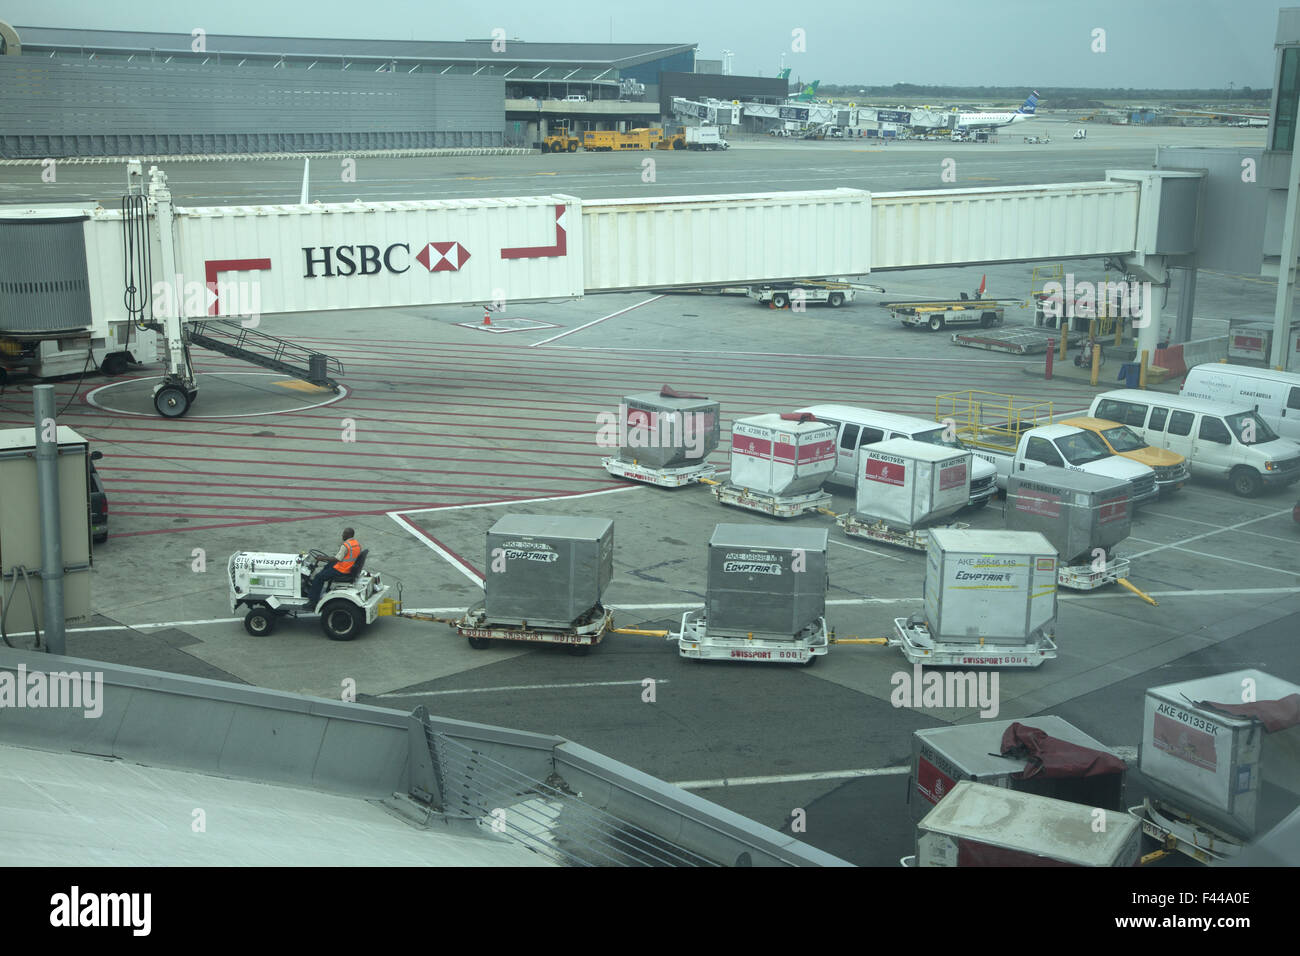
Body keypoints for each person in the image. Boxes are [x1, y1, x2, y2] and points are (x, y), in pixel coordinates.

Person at [308, 527, 361, 607]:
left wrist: (322, 558)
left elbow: (337, 558)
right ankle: (323, 588)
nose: (342, 535)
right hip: (348, 567)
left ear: (348, 535)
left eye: (344, 533)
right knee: (328, 566)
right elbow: (343, 558)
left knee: (318, 577)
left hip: (342, 570)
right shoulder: (356, 544)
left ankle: (313, 601)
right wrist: (327, 559)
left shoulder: (346, 545)